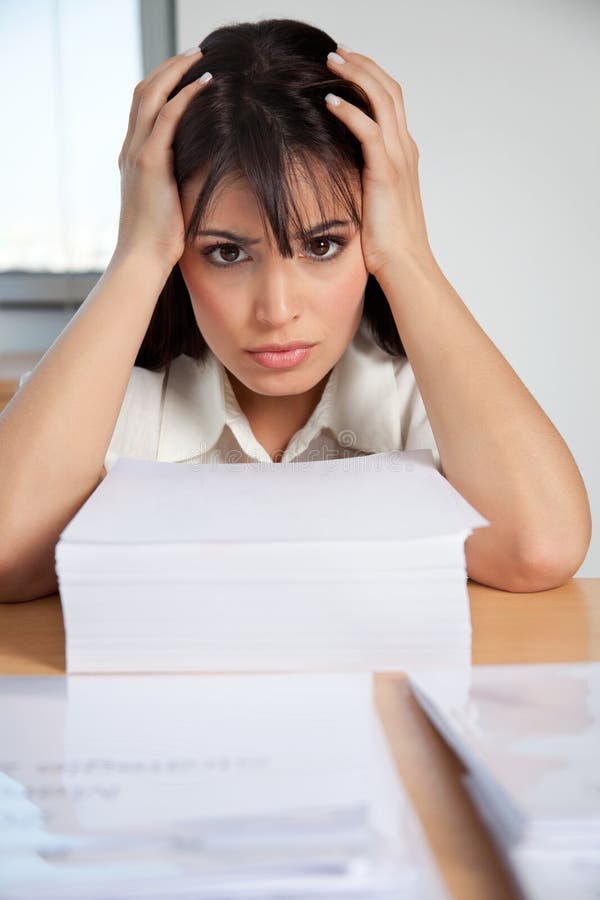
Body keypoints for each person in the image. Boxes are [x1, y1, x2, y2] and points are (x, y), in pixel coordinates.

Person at [0, 18, 591, 603]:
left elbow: (539, 549)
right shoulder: (113, 406)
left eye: (323, 245)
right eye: (227, 252)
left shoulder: (430, 403)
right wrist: (137, 255)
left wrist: (408, 253)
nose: (277, 310)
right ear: (176, 246)